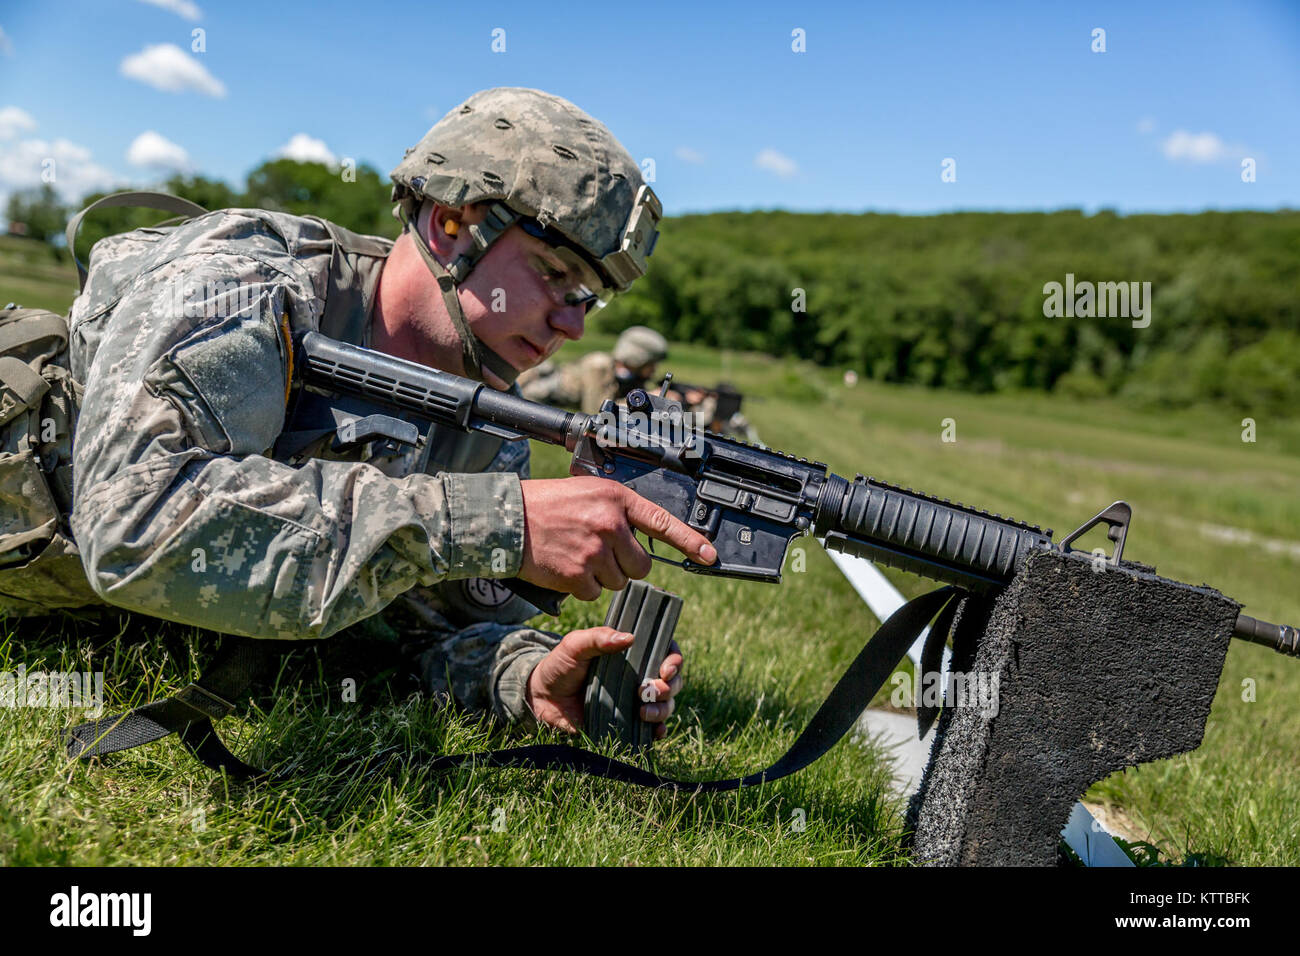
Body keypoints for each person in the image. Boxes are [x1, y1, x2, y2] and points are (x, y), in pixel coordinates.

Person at [66, 87, 716, 739]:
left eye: (588, 298)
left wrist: (527, 677)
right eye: (554, 274)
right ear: (452, 225)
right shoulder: (242, 282)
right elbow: (134, 521)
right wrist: (498, 520)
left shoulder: (489, 422)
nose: (572, 326)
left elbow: (409, 633)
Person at [518, 325, 669, 414]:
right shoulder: (599, 366)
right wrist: (644, 401)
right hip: (537, 391)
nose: (654, 370)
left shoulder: (627, 376)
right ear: (639, 359)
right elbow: (595, 410)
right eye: (652, 364)